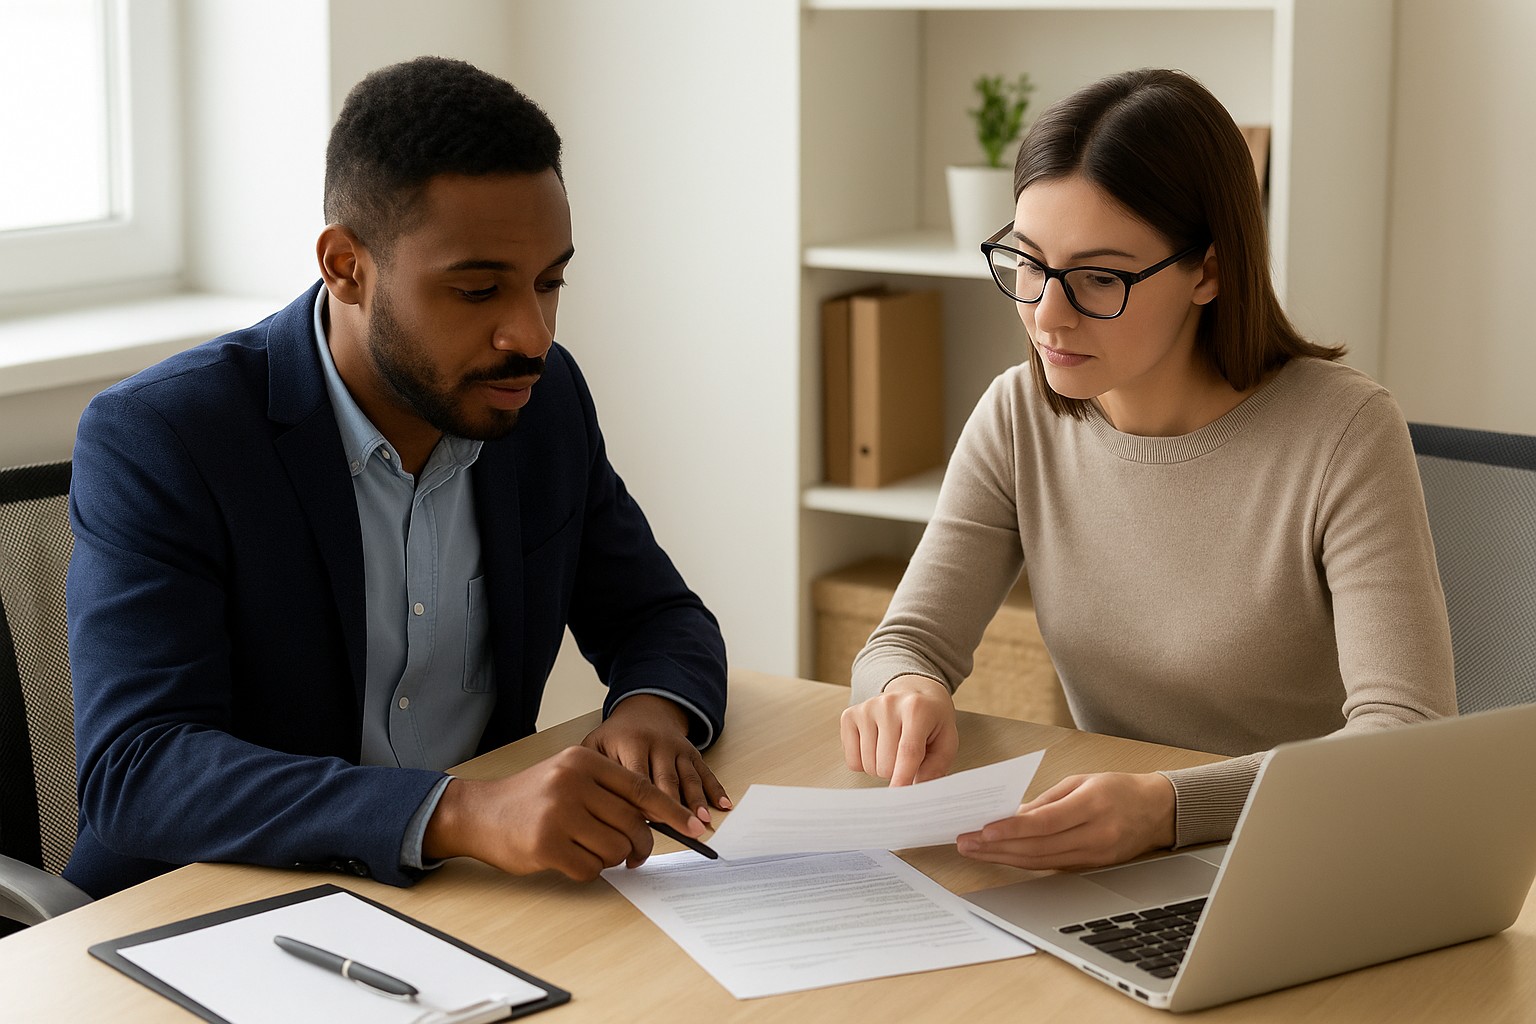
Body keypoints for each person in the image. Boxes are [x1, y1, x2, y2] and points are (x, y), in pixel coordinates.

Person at [65, 56, 729, 899]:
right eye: (479, 289)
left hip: (462, 898)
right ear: (346, 266)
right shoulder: (165, 436)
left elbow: (657, 615)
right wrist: (459, 812)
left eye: (550, 280)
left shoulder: (540, 400)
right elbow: (141, 767)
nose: (529, 332)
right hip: (205, 911)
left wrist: (651, 711)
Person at [840, 68, 1455, 870]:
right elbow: (904, 640)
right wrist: (902, 691)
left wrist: (1171, 809)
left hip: (1310, 858)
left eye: (1099, 278)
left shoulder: (1342, 432)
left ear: (1208, 271)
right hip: (1113, 859)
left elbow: (1408, 732)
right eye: (1027, 262)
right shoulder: (1018, 414)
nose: (1046, 315)